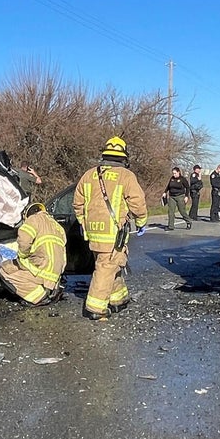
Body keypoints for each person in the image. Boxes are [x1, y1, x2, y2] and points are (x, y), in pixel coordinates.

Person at [73, 136, 148, 321]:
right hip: (113, 233)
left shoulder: (89, 174)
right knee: (106, 268)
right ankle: (95, 308)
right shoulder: (126, 176)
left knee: (109, 264)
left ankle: (118, 299)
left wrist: (83, 223)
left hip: (93, 232)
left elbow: (77, 203)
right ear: (123, 158)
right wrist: (141, 222)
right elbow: (137, 202)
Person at [0, 203, 67, 306]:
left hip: (42, 267)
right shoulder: (57, 226)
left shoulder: (33, 219)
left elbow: (24, 240)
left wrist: (22, 255)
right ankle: (52, 290)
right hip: (56, 271)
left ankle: (40, 296)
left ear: (27, 215)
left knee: (5, 270)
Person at [161, 167, 192, 231]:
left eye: (175, 173)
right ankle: (171, 226)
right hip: (172, 197)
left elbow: (187, 187)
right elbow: (168, 186)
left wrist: (186, 196)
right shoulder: (172, 179)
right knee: (171, 211)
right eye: (173, 173)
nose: (174, 175)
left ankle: (188, 221)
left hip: (180, 196)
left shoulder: (182, 179)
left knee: (182, 211)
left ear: (178, 172)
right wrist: (165, 192)